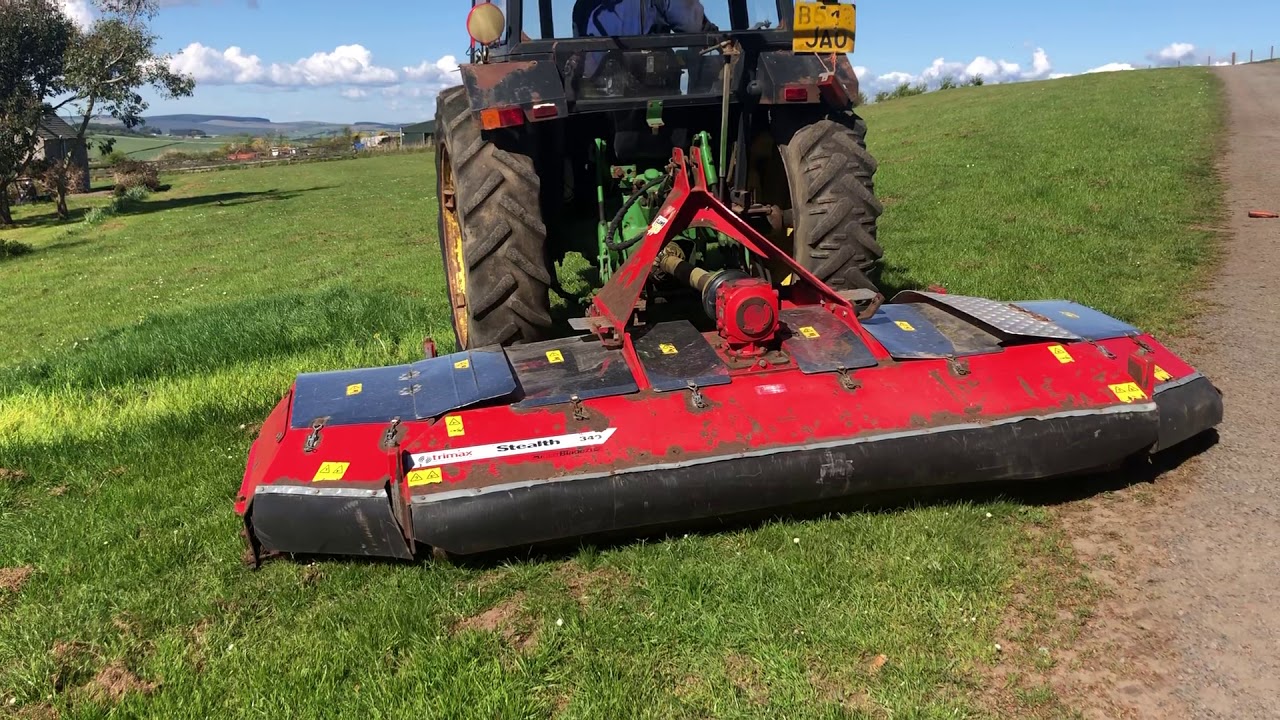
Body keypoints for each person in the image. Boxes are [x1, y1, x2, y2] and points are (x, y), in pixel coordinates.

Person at [577, 0, 714, 37]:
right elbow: (696, 26)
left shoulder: (583, 6)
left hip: (596, 99)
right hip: (656, 92)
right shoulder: (585, 6)